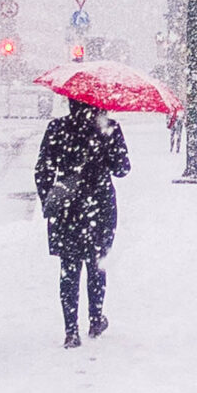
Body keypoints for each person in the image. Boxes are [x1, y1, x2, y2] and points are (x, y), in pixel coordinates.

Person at [35, 97, 132, 347]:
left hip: (68, 206)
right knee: (96, 264)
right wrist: (106, 143)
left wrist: (50, 198)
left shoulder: (58, 128)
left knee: (69, 267)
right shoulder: (109, 127)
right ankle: (95, 319)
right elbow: (122, 169)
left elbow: (43, 170)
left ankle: (71, 330)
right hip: (100, 206)